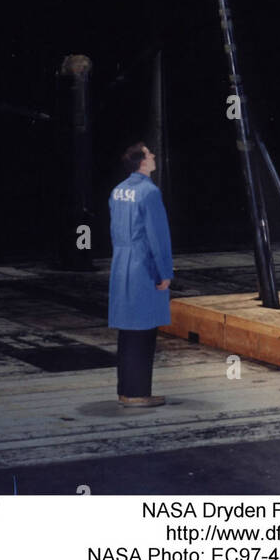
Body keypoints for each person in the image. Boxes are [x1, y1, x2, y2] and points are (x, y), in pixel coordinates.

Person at [108, 142, 173, 407]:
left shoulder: (118, 191)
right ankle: (137, 394)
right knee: (143, 331)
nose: (154, 155)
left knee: (127, 330)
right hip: (142, 266)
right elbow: (158, 237)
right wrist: (164, 272)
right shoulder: (149, 192)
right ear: (141, 162)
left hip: (121, 262)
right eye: (149, 154)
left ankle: (126, 391)